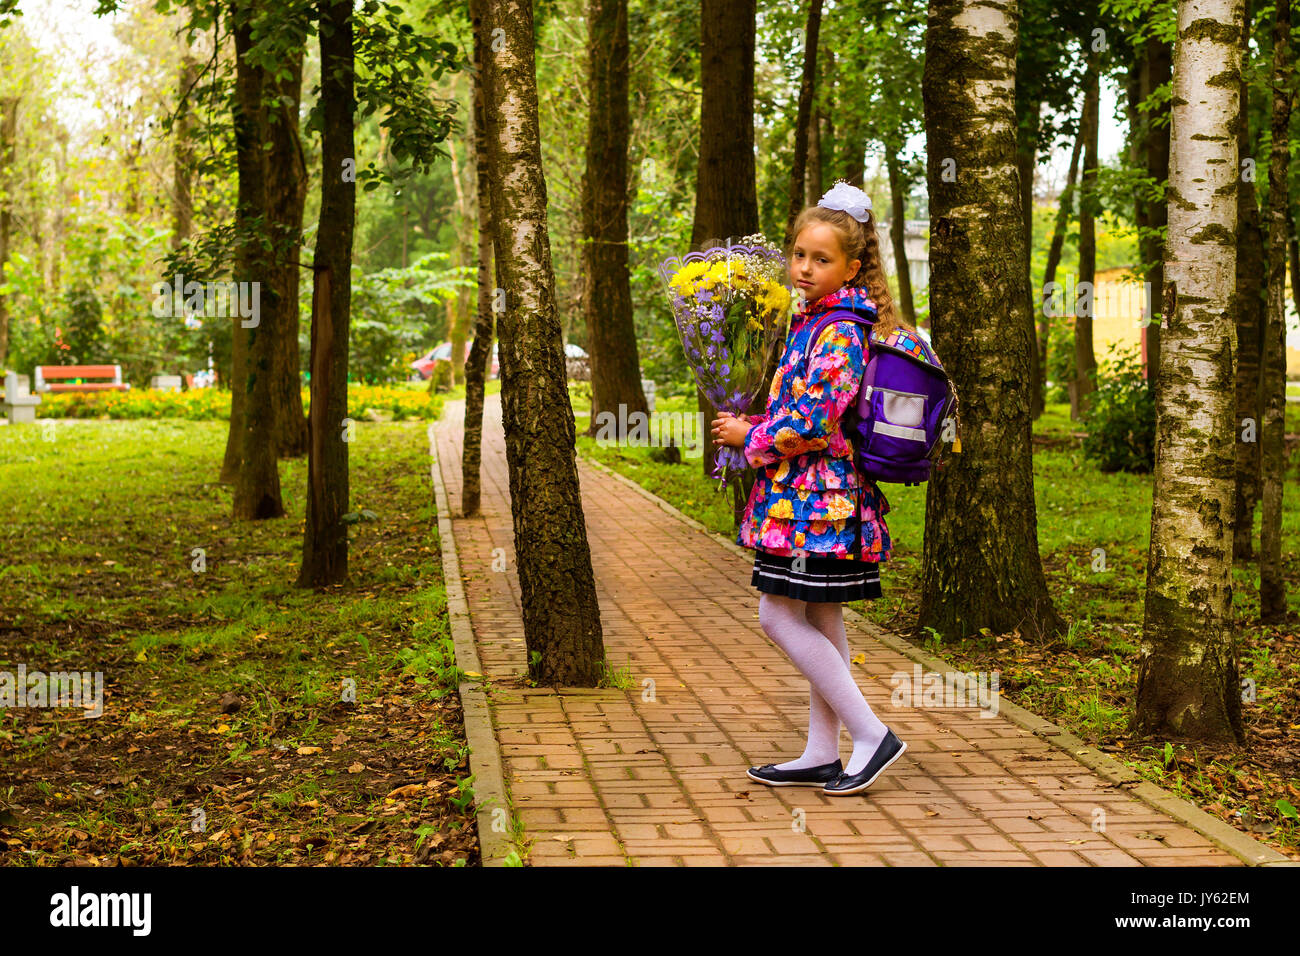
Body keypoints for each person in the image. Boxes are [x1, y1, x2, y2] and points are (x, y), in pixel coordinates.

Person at [710, 180, 916, 796]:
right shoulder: (814, 321)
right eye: (799, 254)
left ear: (852, 266)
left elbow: (814, 419)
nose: (804, 267)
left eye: (821, 259)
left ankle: (871, 734)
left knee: (776, 613)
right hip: (810, 497)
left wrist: (751, 435)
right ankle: (822, 753)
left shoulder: (840, 330)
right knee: (823, 618)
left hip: (817, 501)